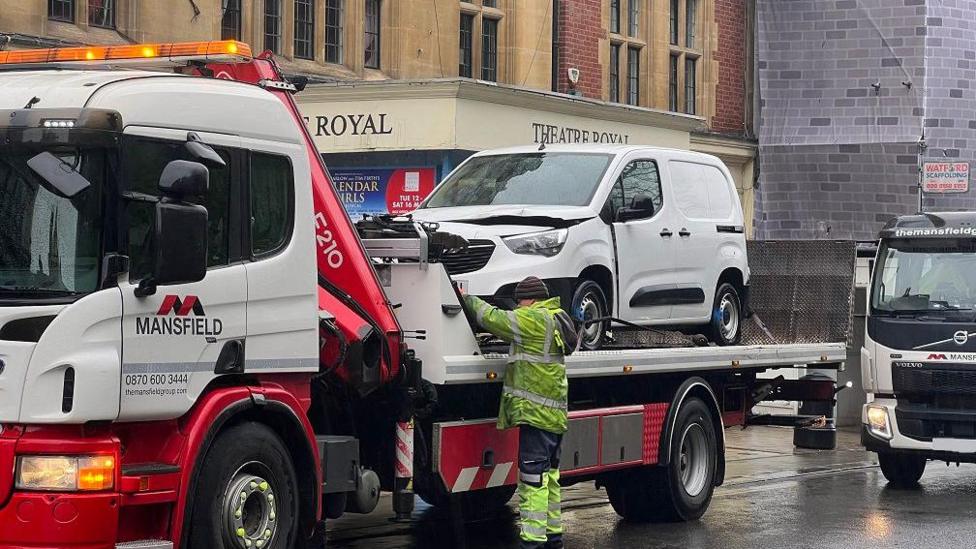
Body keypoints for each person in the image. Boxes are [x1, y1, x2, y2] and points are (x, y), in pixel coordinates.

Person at [462, 276, 570, 549]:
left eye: (520, 301)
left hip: (536, 414)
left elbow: (493, 319)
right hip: (553, 415)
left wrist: (464, 297)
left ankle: (533, 541)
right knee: (550, 477)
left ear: (530, 299)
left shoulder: (534, 320)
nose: (518, 306)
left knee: (533, 480)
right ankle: (553, 534)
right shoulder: (554, 318)